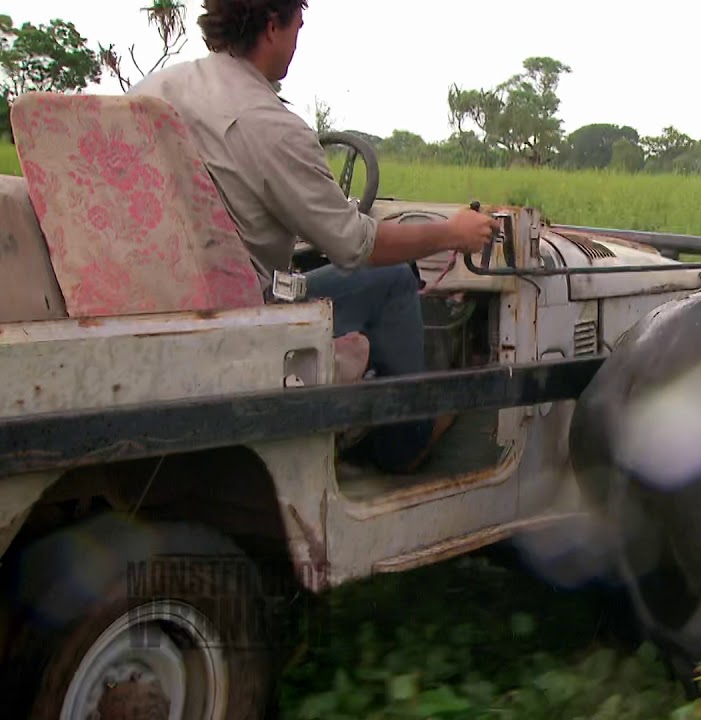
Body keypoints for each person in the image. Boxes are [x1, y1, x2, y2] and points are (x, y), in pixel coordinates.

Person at [128, 0, 498, 474]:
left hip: (158, 297)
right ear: (272, 27)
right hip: (240, 316)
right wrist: (451, 233)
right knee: (392, 280)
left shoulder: (157, 88)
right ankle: (407, 441)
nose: (297, 42)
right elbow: (356, 245)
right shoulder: (272, 127)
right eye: (298, 27)